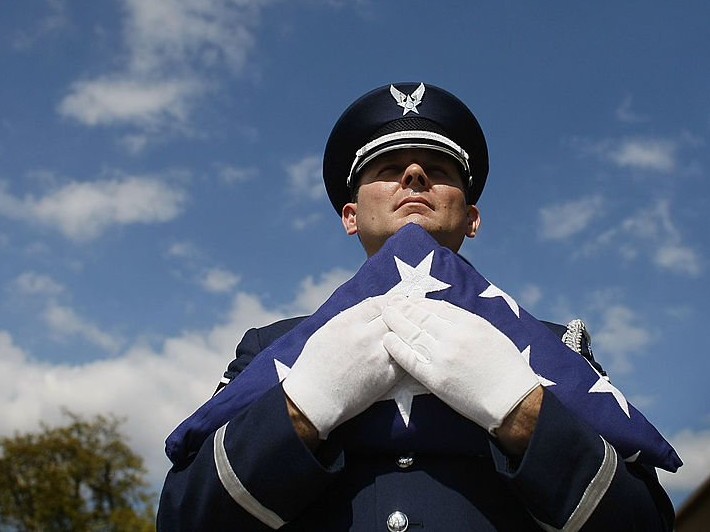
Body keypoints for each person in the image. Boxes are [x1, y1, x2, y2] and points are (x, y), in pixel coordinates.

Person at [157, 83, 677, 531]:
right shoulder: (273, 349)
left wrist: (523, 410)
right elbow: (185, 516)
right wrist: (303, 404)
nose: (413, 175)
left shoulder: (553, 348)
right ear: (350, 216)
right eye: (388, 168)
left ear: (471, 218)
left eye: (438, 169)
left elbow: (644, 521)